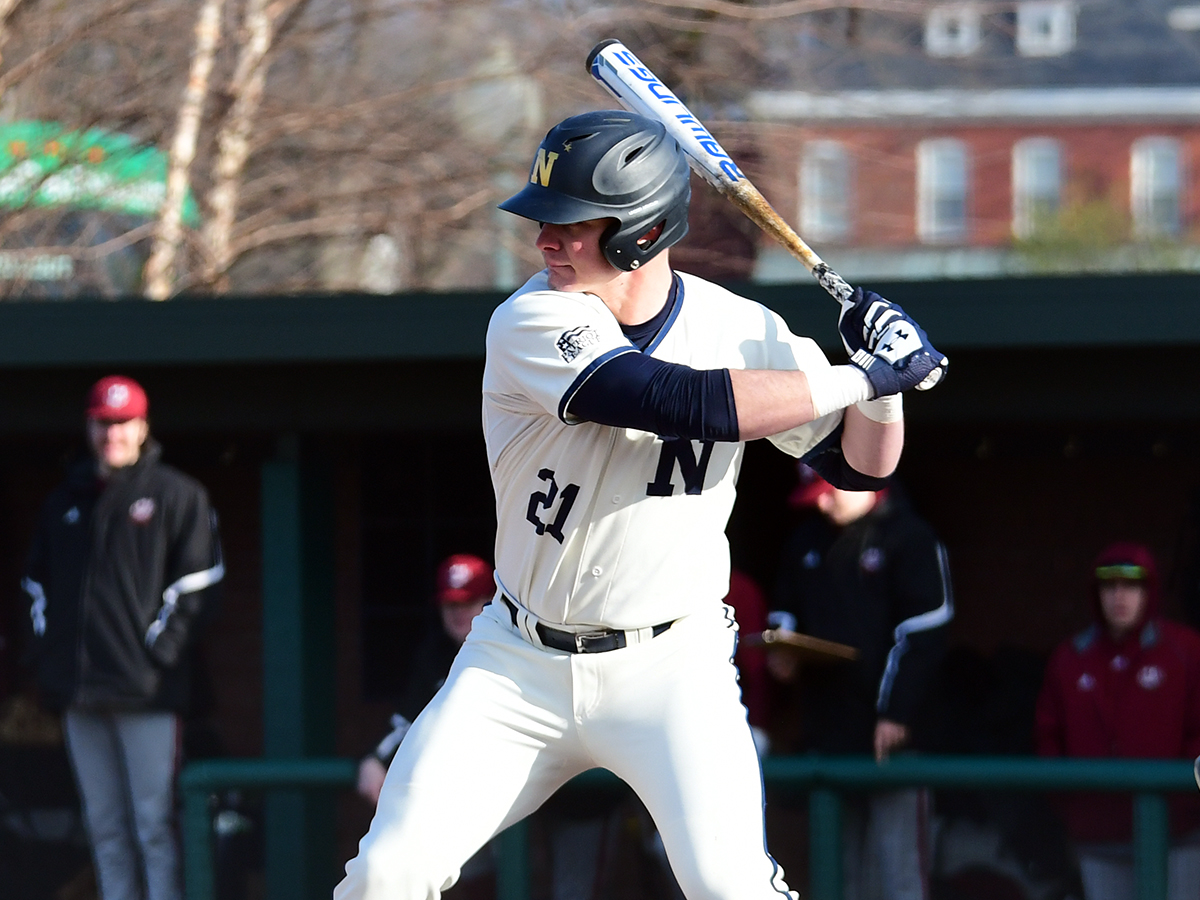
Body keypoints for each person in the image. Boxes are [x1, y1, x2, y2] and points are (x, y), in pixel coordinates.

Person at [335, 109, 947, 900]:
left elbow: (863, 469)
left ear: (642, 233)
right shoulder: (531, 316)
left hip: (672, 665)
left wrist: (885, 387)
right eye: (543, 223)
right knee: (386, 873)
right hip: (518, 662)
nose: (544, 241)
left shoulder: (740, 328)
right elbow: (660, 395)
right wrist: (860, 376)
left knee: (733, 888)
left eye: (571, 226)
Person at [19, 375, 224, 900]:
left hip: (146, 693)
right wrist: (51, 656)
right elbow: (33, 584)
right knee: (104, 827)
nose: (113, 433)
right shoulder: (66, 501)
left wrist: (156, 653)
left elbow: (200, 582)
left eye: (123, 423)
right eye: (103, 423)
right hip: (80, 693)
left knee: (153, 825)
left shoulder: (176, 495)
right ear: (90, 427)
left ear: (142, 427)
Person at [768, 465, 953, 900]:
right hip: (829, 738)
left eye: (828, 490)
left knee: (899, 878)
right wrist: (784, 650)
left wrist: (895, 713)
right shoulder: (806, 540)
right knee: (841, 879)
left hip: (897, 747)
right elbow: (784, 611)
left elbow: (924, 635)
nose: (821, 501)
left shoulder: (910, 538)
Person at [1036, 541, 1200, 900]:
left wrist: (1184, 809)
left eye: (1131, 586)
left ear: (1149, 591)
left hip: (1178, 837)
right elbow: (1048, 741)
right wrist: (1077, 812)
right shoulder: (1070, 658)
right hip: (1100, 839)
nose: (1119, 597)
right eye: (1109, 587)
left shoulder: (1185, 651)